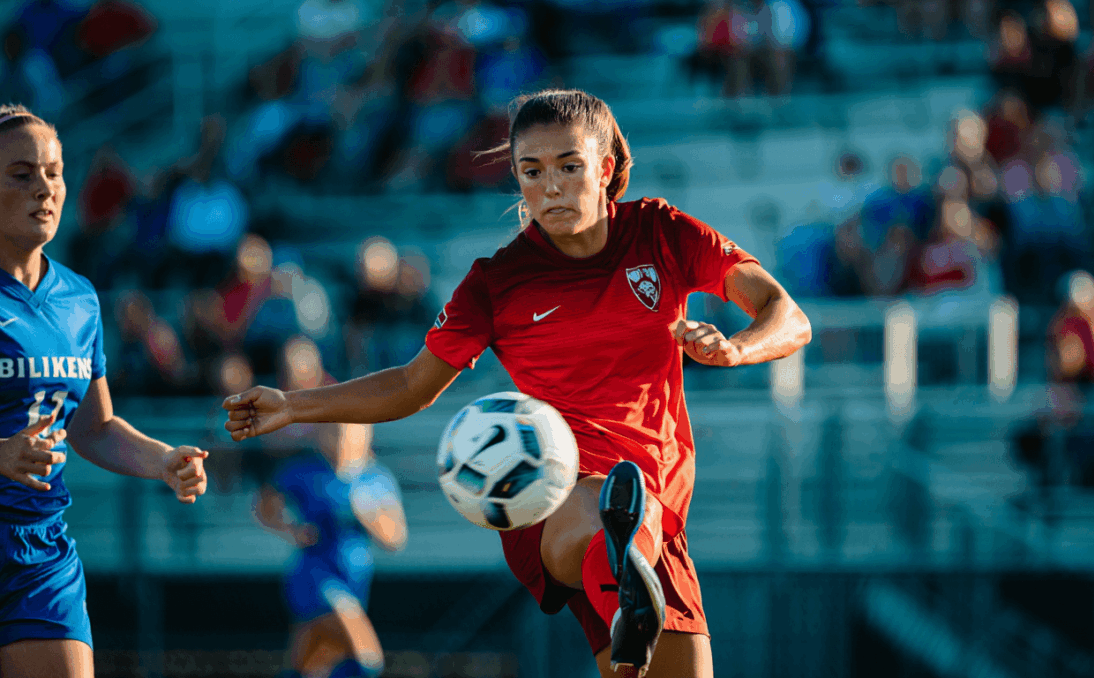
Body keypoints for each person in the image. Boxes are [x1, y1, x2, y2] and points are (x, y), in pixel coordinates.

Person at [224, 89, 811, 677]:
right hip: (548, 495)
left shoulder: (661, 231)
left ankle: (628, 593)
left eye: (569, 166)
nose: (549, 186)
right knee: (601, 503)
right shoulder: (497, 282)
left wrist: (737, 348)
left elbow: (787, 315)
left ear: (605, 169)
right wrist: (294, 406)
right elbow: (410, 384)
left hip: (655, 508)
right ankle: (624, 587)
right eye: (531, 171)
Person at [0, 104, 209, 677]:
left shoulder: (80, 298)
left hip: (41, 553)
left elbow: (92, 426)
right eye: (22, 174)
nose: (45, 188)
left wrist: (162, 460)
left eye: (55, 172)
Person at [255, 422, 406, 678]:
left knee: (312, 663)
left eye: (347, 431)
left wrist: (369, 515)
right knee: (367, 659)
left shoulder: (376, 477)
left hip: (355, 581)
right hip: (314, 575)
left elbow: (396, 539)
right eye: (333, 431)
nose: (340, 438)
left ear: (364, 434)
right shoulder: (304, 470)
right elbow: (264, 507)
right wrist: (290, 529)